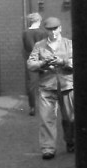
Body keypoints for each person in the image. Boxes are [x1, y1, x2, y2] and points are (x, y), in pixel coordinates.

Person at [26, 17, 74, 159]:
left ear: (60, 28)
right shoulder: (39, 45)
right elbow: (30, 64)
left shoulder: (69, 44)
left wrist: (63, 62)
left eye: (55, 29)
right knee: (47, 119)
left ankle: (71, 142)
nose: (53, 32)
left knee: (70, 118)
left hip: (67, 86)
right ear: (46, 30)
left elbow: (77, 61)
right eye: (50, 30)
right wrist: (42, 64)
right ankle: (48, 148)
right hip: (47, 86)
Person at [22, 13, 48, 116]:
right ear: (38, 21)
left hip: (31, 60)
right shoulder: (42, 33)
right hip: (42, 60)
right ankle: (45, 106)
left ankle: (32, 107)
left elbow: (25, 48)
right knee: (45, 83)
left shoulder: (25, 33)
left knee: (31, 85)